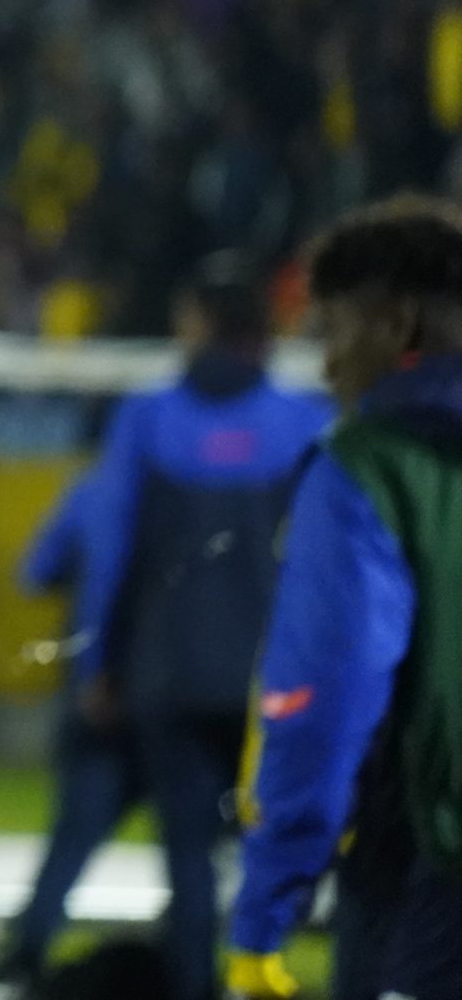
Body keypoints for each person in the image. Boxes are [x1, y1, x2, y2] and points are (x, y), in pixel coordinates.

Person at [67, 253, 330, 1000]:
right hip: (272, 682)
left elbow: (110, 551)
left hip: (169, 676)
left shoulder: (148, 418)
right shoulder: (303, 422)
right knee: (277, 850)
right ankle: (266, 978)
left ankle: (194, 987)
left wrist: (97, 667)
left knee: (188, 861)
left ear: (204, 324)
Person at [225, 197, 462, 1000]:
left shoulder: (367, 471)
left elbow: (320, 700)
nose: (325, 366)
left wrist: (265, 911)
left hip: (428, 880)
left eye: (331, 332)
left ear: (397, 325)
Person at [0, 409, 146, 984]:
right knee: (196, 850)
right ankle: (197, 965)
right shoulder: (184, 489)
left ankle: (24, 955)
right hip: (178, 701)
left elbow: (35, 571)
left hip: (96, 698)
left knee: (71, 841)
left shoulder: (91, 491)